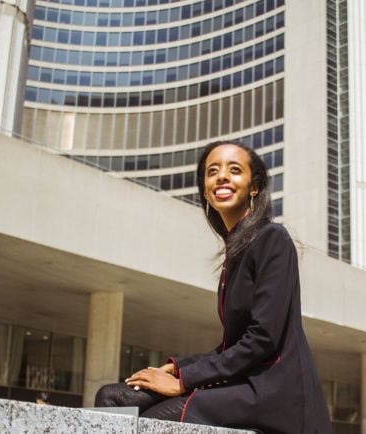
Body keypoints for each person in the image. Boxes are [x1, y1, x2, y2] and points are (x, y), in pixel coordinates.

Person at [95, 141, 332, 433]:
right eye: (212, 171)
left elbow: (262, 338)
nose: (221, 176)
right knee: (111, 397)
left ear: (253, 186)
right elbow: (229, 346)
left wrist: (183, 380)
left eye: (234, 170)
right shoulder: (236, 251)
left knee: (152, 421)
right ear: (205, 189)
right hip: (242, 383)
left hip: (271, 390)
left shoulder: (272, 238)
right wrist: (176, 367)